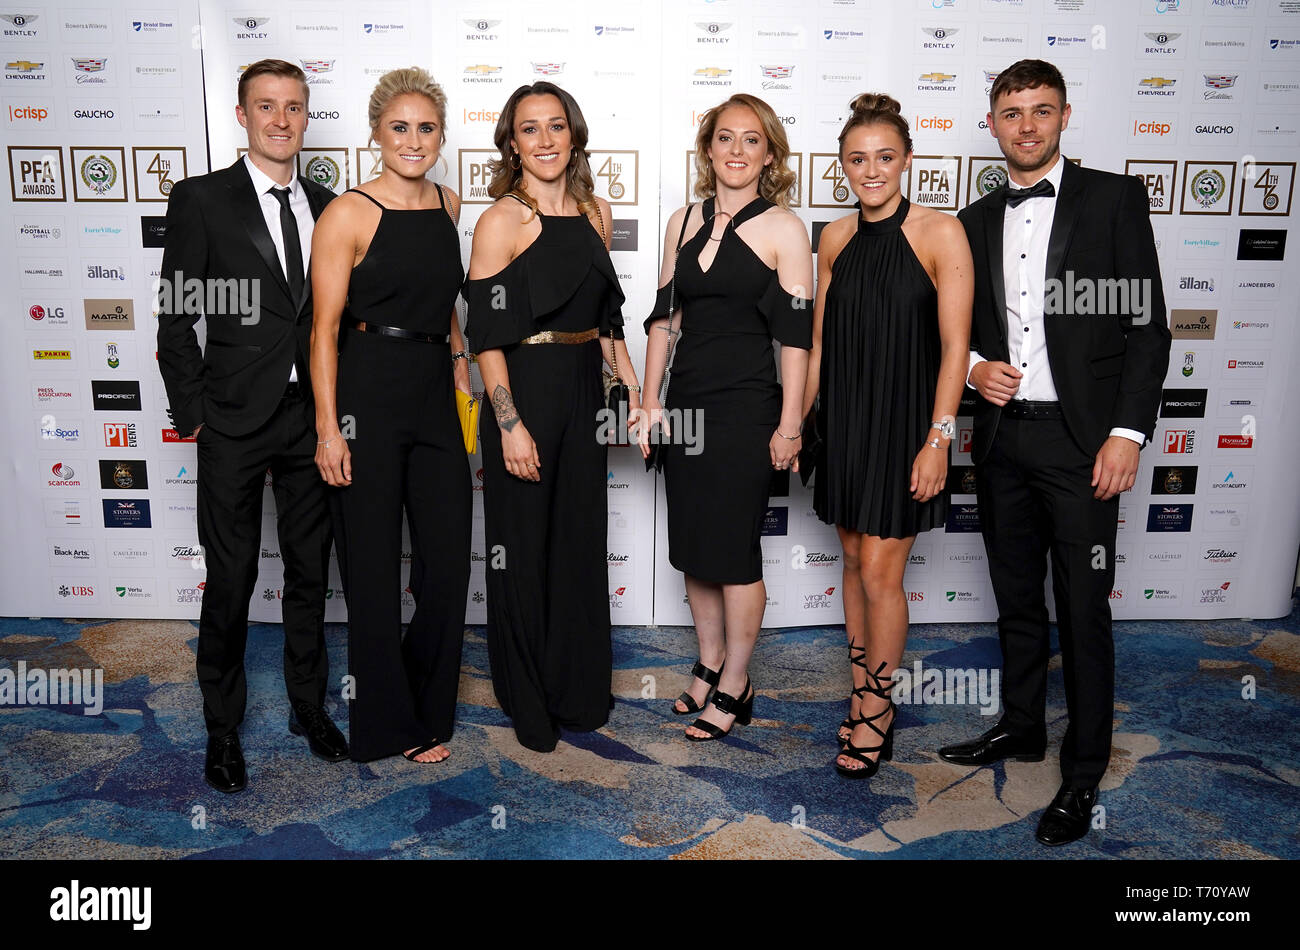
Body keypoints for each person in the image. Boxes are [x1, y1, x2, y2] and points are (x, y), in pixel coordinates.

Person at [937, 60, 1170, 845]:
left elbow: (1147, 324)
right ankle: (1024, 725)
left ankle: (1083, 771)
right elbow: (956, 332)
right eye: (1011, 113)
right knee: (1015, 599)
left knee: (1083, 607)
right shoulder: (971, 219)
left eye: (1041, 111)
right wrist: (974, 370)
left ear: (1065, 116)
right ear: (993, 122)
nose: (1026, 126)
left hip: (1084, 445)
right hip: (1003, 438)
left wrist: (1127, 434)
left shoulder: (1112, 198)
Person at [157, 59, 346, 794]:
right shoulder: (203, 199)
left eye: (293, 107)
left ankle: (309, 708)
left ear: (306, 115)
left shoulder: (331, 205)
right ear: (242, 115)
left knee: (309, 574)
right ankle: (222, 728)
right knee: (230, 578)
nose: (281, 120)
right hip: (233, 421)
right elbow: (178, 315)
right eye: (266, 106)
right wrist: (195, 414)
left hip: (311, 421)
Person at [463, 82, 641, 753]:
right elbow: (485, 337)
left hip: (581, 398)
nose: (544, 140)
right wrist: (509, 425)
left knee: (576, 545)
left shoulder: (597, 211)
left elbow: (606, 320)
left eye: (556, 126)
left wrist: (629, 390)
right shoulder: (502, 221)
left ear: (574, 135)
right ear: (512, 141)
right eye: (529, 129)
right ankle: (527, 695)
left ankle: (577, 688)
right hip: (524, 393)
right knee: (521, 553)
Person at [802, 94, 973, 779]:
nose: (870, 171)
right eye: (856, 159)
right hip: (844, 421)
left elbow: (957, 346)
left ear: (906, 160)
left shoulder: (940, 233)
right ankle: (861, 686)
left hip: (906, 423)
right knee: (851, 561)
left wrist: (939, 438)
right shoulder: (836, 238)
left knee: (881, 572)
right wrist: (798, 423)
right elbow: (818, 344)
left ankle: (877, 707)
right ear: (842, 165)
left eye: (884, 157)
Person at [309, 68, 471, 765]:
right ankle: (384, 723)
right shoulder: (347, 212)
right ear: (375, 132)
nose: (413, 140)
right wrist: (326, 428)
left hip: (436, 394)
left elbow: (443, 302)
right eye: (399, 126)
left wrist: (462, 358)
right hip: (365, 399)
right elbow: (323, 331)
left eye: (426, 127)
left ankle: (427, 706)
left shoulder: (450, 201)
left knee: (445, 564)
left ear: (440, 135)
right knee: (373, 571)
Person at [641, 93, 812, 742]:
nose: (736, 151)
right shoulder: (681, 221)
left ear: (770, 154)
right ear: (707, 147)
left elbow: (796, 337)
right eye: (724, 138)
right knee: (694, 546)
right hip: (685, 403)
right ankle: (708, 662)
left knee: (734, 552)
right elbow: (664, 319)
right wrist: (651, 399)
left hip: (746, 406)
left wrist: (790, 422)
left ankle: (737, 681)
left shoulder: (785, 230)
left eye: (751, 140)